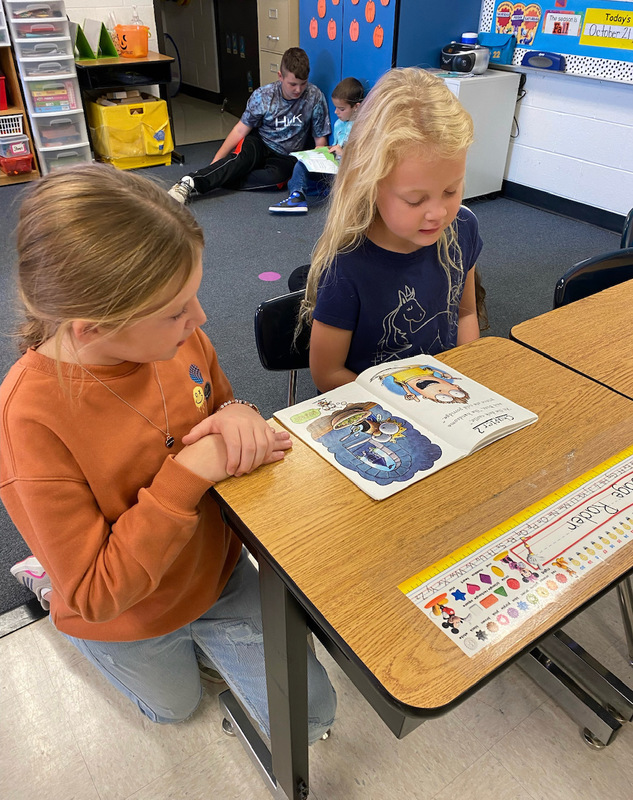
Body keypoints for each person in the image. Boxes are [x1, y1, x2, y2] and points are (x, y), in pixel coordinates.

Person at [0, 164, 336, 739]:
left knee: (311, 717)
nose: (200, 319)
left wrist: (239, 415)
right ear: (89, 329)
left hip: (215, 574)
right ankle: (48, 578)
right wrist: (188, 471)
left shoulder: (178, 338)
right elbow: (99, 595)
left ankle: (72, 572)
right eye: (176, 312)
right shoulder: (28, 420)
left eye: (193, 298)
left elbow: (223, 408)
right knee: (174, 710)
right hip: (124, 613)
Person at [297, 68, 483, 392]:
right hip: (375, 413)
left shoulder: (463, 228)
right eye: (414, 200)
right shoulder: (346, 265)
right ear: (369, 184)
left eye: (451, 191)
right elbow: (327, 375)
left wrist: (467, 373)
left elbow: (465, 315)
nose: (438, 213)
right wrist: (408, 399)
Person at [169, 47, 330, 205]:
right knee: (238, 160)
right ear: (280, 76)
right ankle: (189, 183)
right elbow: (240, 130)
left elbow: (320, 140)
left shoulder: (314, 97)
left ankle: (219, 178)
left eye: (303, 83)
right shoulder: (263, 96)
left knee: (277, 180)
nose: (298, 89)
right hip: (260, 142)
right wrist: (215, 163)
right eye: (293, 84)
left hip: (287, 155)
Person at [269, 77, 364, 215]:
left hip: (347, 175)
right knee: (301, 165)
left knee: (313, 185)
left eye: (341, 109)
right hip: (332, 171)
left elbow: (363, 160)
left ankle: (327, 191)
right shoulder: (339, 124)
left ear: (356, 107)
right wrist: (326, 151)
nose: (336, 112)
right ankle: (297, 197)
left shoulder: (363, 128)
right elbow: (336, 148)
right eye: (336, 108)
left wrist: (343, 153)